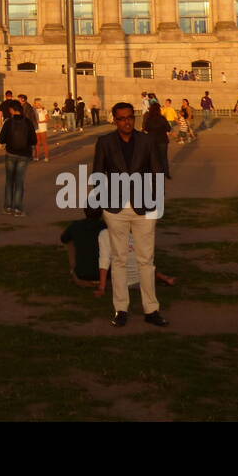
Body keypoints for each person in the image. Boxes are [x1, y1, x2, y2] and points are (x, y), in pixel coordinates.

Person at [92, 102, 171, 327]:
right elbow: (97, 173)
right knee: (119, 260)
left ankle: (151, 309)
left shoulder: (146, 141)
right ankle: (121, 309)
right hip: (115, 208)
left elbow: (157, 170)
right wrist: (101, 201)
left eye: (129, 118)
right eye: (121, 118)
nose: (126, 122)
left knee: (146, 259)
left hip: (144, 206)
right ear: (114, 120)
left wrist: (156, 202)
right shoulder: (105, 142)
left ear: (133, 118)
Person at [98, 227, 178, 296]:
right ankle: (163, 277)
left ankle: (163, 277)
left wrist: (102, 287)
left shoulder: (106, 234)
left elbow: (104, 261)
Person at [0, 100, 33, 216]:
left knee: (9, 181)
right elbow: (34, 140)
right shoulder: (28, 122)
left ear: (12, 110)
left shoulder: (8, 122)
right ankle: (18, 208)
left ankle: (8, 207)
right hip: (24, 154)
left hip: (11, 153)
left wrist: (9, 139)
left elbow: (1, 139)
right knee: (19, 181)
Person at [61, 207, 105, 287]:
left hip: (81, 274)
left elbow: (64, 239)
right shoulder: (107, 226)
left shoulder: (75, 226)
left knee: (70, 240)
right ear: (102, 212)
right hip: (106, 274)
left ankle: (74, 269)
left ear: (85, 211)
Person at [142, 99, 171, 172]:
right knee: (164, 158)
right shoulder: (162, 118)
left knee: (154, 158)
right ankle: (166, 172)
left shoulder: (149, 118)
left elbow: (146, 128)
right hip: (162, 140)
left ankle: (155, 172)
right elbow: (168, 128)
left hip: (152, 141)